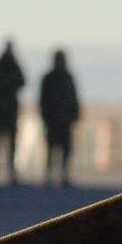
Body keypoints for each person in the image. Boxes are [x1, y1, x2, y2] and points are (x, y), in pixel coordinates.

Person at [39, 50, 81, 186]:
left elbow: (74, 98)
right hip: (52, 121)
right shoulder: (49, 79)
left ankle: (64, 176)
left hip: (65, 121)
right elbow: (43, 100)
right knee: (51, 149)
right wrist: (45, 117)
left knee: (66, 150)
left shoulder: (68, 78)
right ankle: (49, 176)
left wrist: (75, 115)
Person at [0, 41, 25, 184]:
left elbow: (22, 82)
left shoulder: (12, 66)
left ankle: (9, 173)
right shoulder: (1, 66)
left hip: (8, 112)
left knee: (10, 145)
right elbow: (1, 84)